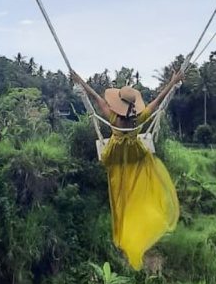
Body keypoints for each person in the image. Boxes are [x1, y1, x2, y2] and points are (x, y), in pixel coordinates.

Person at [71, 70, 184, 270]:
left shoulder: (113, 117)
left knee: (118, 189)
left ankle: (125, 223)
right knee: (139, 186)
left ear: (119, 104)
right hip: (134, 155)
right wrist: (173, 82)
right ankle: (142, 215)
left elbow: (96, 98)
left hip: (115, 156)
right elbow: (157, 100)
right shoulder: (139, 118)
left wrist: (80, 81)